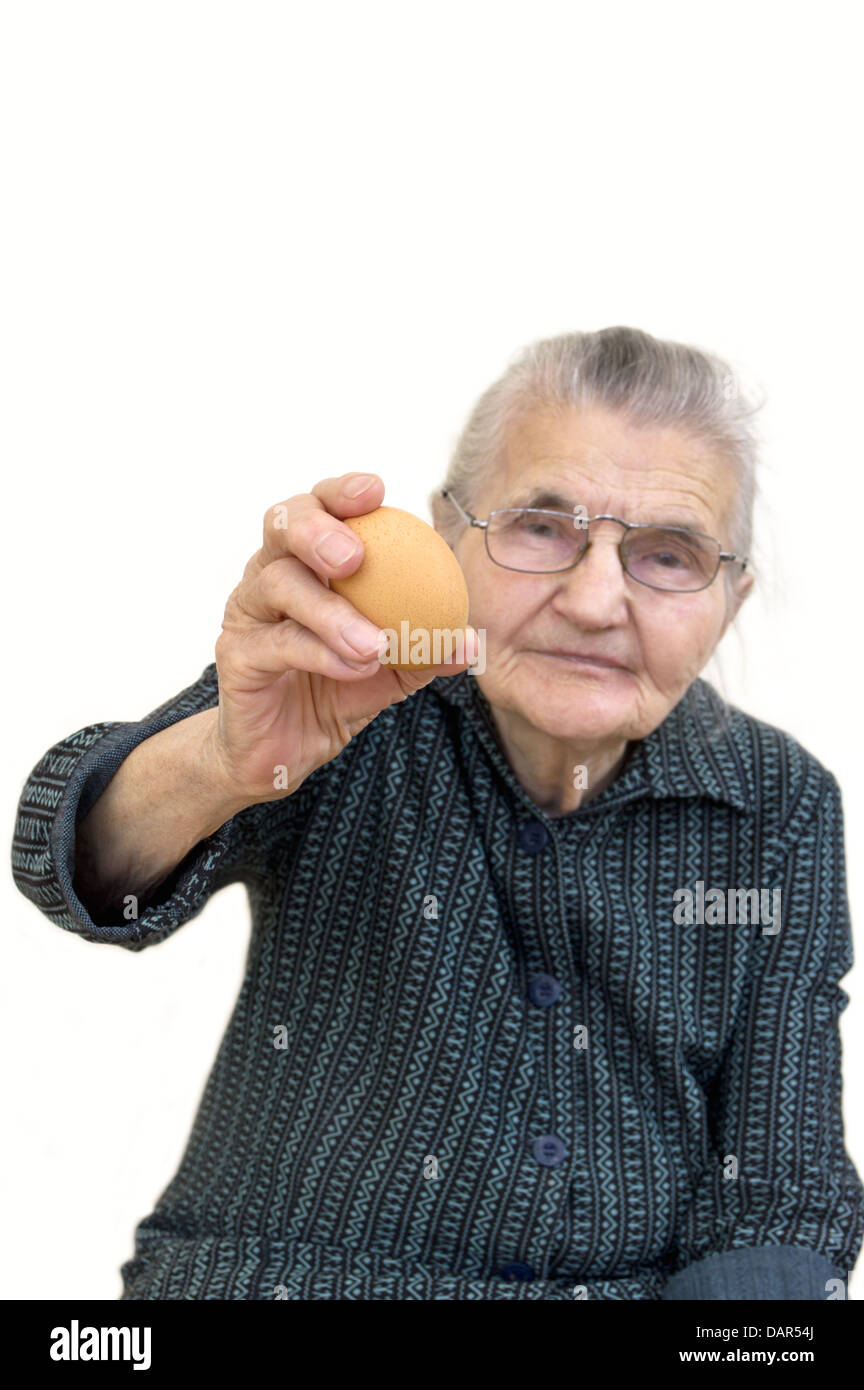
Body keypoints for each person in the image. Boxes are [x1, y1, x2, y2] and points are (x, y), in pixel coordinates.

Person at [12, 326, 864, 1300]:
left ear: (731, 597)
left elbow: (778, 1190)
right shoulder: (349, 694)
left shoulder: (778, 803)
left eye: (668, 554)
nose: (593, 601)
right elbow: (77, 871)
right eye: (542, 526)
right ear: (447, 535)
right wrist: (220, 760)